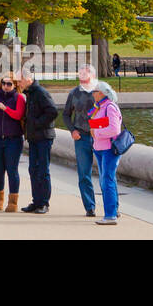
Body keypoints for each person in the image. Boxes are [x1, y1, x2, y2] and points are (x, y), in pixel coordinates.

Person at [61, 64, 101, 218]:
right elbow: (65, 114)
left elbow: (111, 113)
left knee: (106, 174)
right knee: (84, 174)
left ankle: (112, 207)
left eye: (83, 74)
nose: (80, 76)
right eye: (79, 74)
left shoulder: (100, 91)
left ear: (91, 74)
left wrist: (99, 130)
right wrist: (72, 130)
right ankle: (90, 207)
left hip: (100, 137)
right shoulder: (74, 93)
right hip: (82, 138)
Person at [0, 71, 26, 212]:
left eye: (9, 84)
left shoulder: (19, 98)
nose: (6, 86)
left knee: (12, 170)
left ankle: (13, 202)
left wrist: (5, 108)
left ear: (14, 85)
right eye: (4, 83)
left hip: (13, 140)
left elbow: (18, 115)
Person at [16, 69, 57, 214]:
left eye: (19, 80)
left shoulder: (40, 92)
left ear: (28, 79)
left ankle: (44, 203)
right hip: (33, 137)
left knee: (43, 170)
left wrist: (37, 124)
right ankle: (36, 201)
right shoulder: (30, 93)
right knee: (33, 169)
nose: (18, 84)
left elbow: (53, 111)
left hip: (44, 137)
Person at [88, 80, 125, 225]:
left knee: (107, 180)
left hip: (109, 149)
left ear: (101, 93)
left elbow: (114, 130)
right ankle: (113, 210)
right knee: (108, 179)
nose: (92, 94)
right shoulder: (99, 106)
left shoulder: (110, 107)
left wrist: (96, 132)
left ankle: (110, 215)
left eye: (94, 92)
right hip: (100, 148)